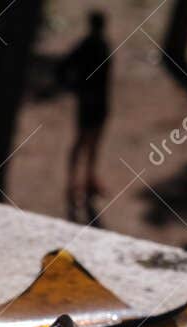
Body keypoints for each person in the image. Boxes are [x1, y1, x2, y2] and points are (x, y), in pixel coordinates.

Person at [58, 10, 111, 220]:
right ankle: (72, 185)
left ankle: (89, 181)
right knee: (81, 143)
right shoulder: (86, 47)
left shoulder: (103, 45)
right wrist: (77, 90)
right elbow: (61, 69)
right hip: (88, 105)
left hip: (101, 105)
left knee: (94, 143)